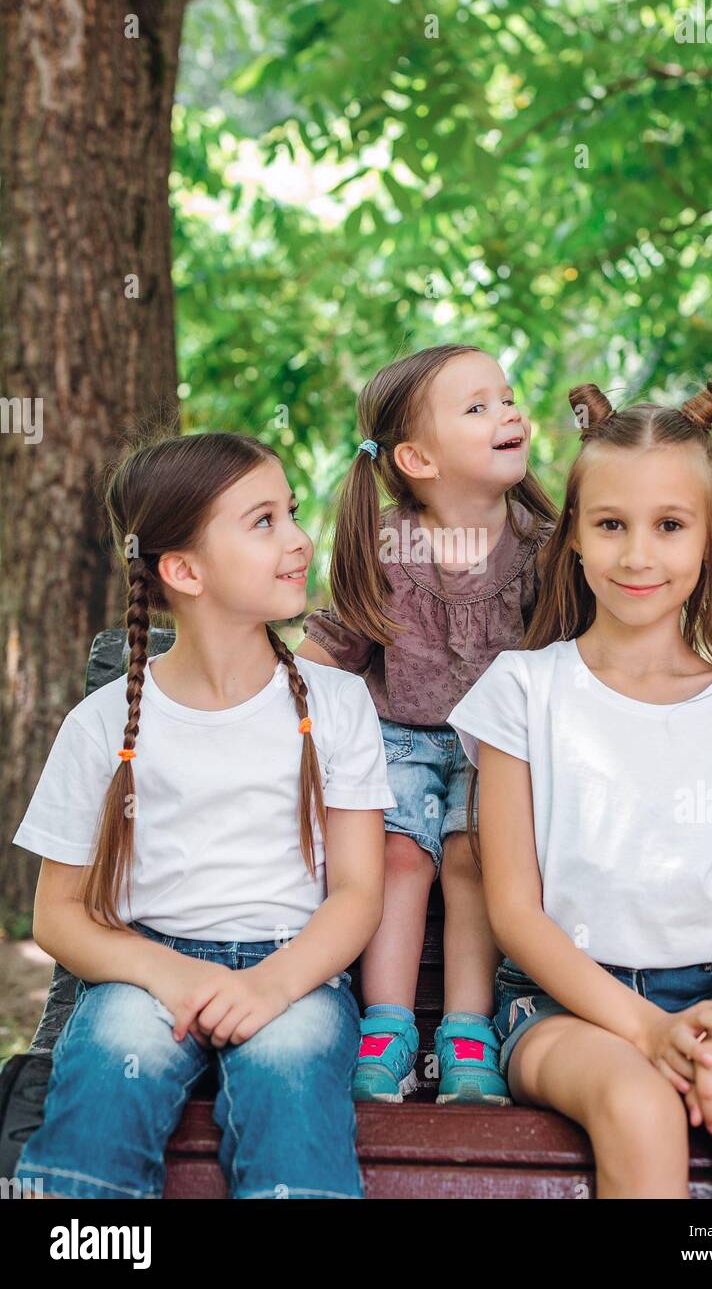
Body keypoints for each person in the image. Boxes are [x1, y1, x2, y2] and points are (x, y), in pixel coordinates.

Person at [446, 379, 712, 1198]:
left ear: (711, 540)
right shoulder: (524, 691)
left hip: (710, 1002)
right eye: (610, 525)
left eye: (669, 526)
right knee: (638, 1105)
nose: (637, 555)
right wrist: (648, 1032)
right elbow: (515, 912)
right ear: (575, 539)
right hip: (563, 1012)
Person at [12, 430, 395, 1199]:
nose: (299, 538)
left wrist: (273, 985)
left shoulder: (339, 706)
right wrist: (172, 974)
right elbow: (57, 917)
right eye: (264, 522)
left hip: (297, 972)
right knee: (105, 1083)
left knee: (292, 1084)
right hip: (143, 974)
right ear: (184, 570)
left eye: (290, 512)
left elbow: (358, 891)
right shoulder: (100, 724)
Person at [295, 344, 557, 1104]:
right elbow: (333, 649)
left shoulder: (544, 544)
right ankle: (387, 1030)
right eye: (476, 407)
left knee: (477, 856)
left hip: (499, 752)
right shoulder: (386, 544)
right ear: (416, 456)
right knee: (398, 856)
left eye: (506, 397)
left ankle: (468, 1034)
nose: (507, 412)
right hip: (396, 738)